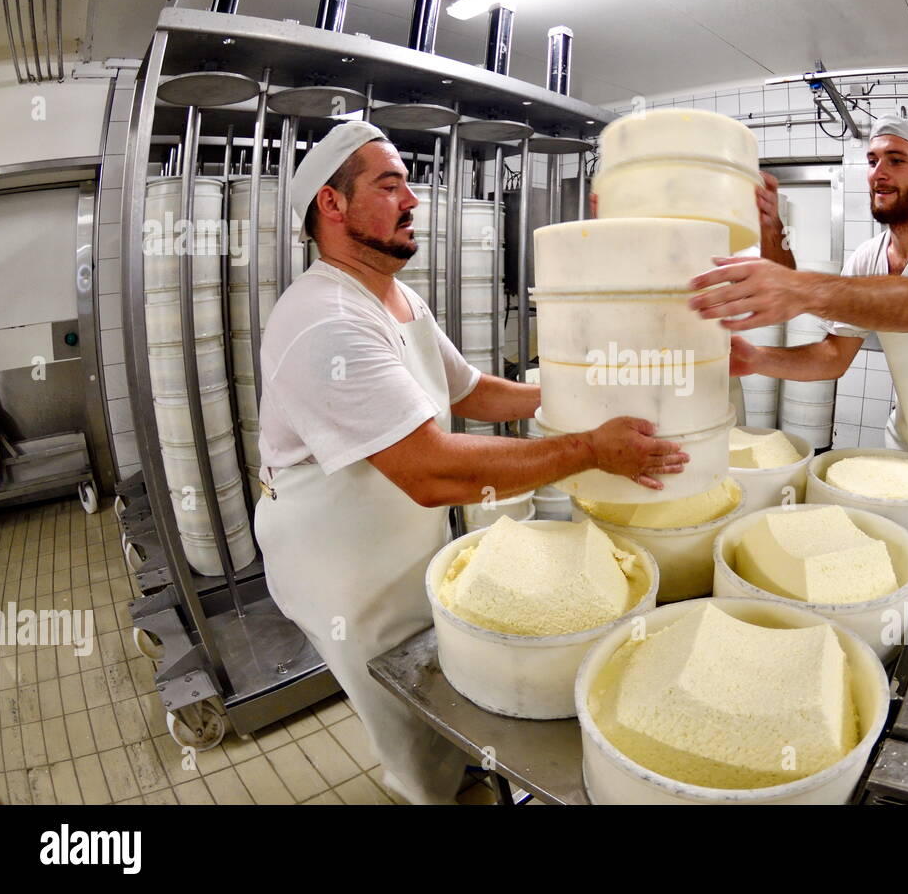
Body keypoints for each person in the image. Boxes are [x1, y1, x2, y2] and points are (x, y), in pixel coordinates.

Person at [253, 121, 687, 804]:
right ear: (331, 207)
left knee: (442, 687)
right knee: (404, 717)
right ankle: (430, 794)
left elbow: (472, 391)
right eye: (389, 185)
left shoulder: (394, 297)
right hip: (343, 565)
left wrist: (575, 394)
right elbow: (431, 471)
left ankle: (460, 777)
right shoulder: (325, 320)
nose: (413, 199)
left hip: (399, 536)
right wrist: (589, 449)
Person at [687, 115, 908, 527]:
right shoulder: (867, 257)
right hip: (906, 444)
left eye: (896, 160)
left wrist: (800, 290)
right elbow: (832, 358)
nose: (879, 173)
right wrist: (754, 358)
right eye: (872, 161)